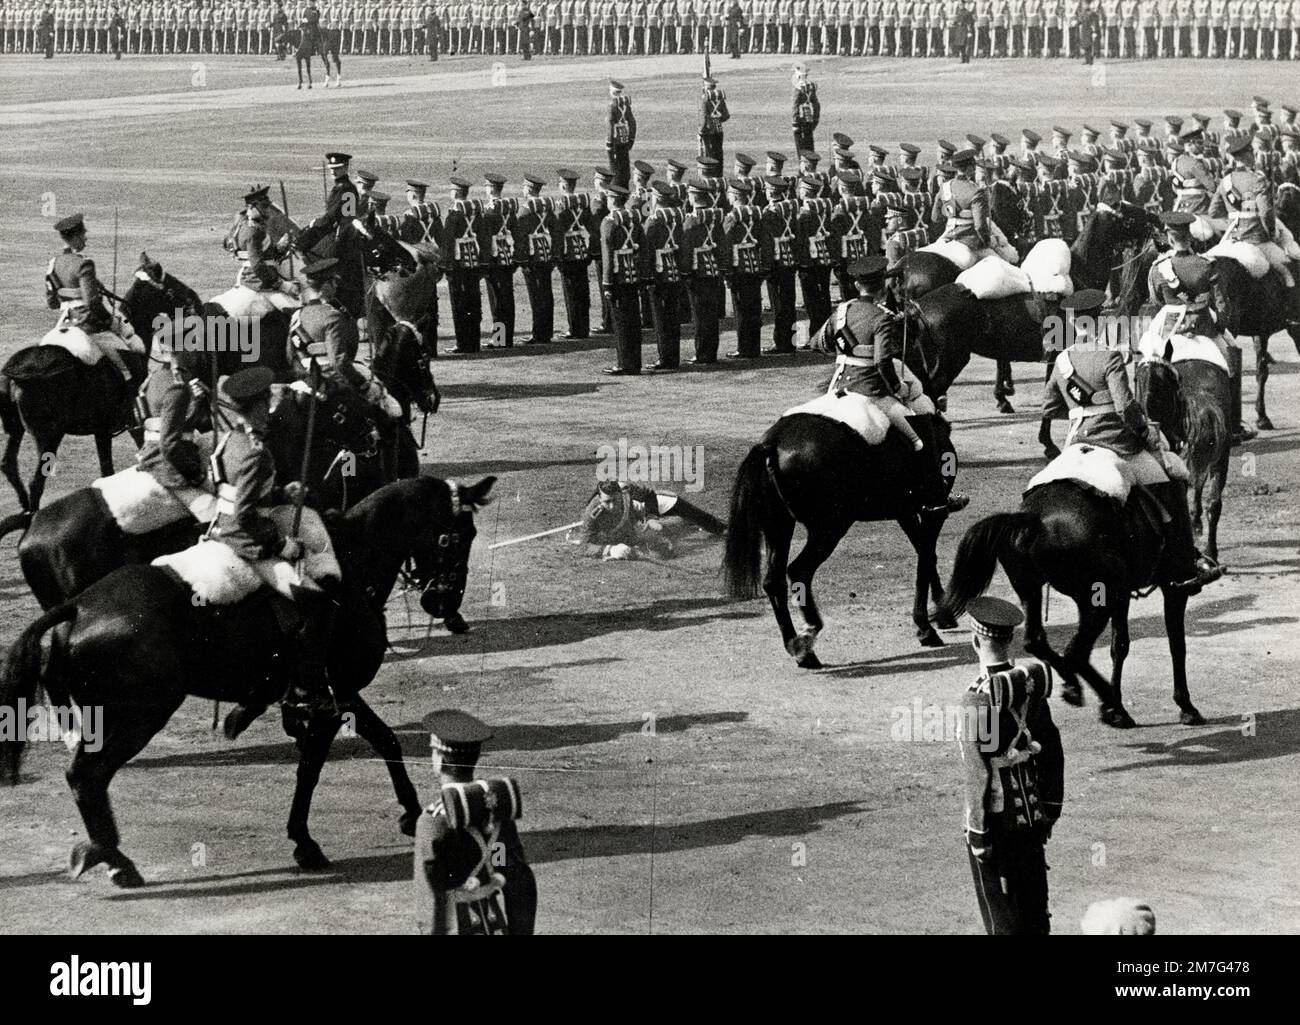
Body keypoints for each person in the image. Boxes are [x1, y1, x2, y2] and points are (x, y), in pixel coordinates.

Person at [1041, 288, 1222, 593]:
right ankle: (1185, 568)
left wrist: (1079, 411)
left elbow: (1049, 407)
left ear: (1072, 323)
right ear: (1098, 320)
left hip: (1076, 441)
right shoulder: (1109, 355)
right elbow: (1126, 407)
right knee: (1171, 479)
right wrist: (1145, 432)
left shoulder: (1061, 361)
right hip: (1115, 441)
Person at [209, 366, 334, 736]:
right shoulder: (255, 452)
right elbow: (246, 514)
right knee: (314, 604)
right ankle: (304, 692)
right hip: (245, 541)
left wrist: (283, 493)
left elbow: (235, 494)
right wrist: (282, 544)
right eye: (267, 402)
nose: (271, 407)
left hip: (218, 527)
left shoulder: (231, 439)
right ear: (259, 407)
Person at [810, 255, 969, 514]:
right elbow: (883, 362)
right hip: (871, 392)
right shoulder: (882, 318)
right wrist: (898, 389)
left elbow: (817, 343)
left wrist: (848, 347)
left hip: (838, 387)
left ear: (858, 285)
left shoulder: (842, 311)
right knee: (924, 440)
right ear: (882, 286)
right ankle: (938, 497)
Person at [958, 595, 1062, 936]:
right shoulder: (1030, 684)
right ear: (1009, 639)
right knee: (1035, 915)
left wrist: (978, 832)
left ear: (976, 641)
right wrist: (1048, 807)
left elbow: (979, 772)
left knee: (1001, 919)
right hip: (1031, 815)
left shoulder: (979, 697)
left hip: (999, 825)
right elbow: (1051, 752)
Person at [413, 709, 537, 935]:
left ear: (439, 760)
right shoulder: (497, 814)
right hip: (492, 927)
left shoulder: (433, 822)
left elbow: (430, 902)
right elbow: (518, 882)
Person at [44, 212, 139, 381]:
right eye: (83, 234)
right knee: (128, 368)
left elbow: (51, 302)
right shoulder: (84, 263)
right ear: (75, 236)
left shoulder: (53, 263)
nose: (85, 239)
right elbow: (92, 303)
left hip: (64, 322)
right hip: (87, 325)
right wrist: (111, 322)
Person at [1207, 133, 1293, 287]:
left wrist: (1234, 218)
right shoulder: (1257, 180)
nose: (1254, 156)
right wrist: (1272, 233)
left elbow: (1213, 212)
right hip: (1256, 238)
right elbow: (1266, 213)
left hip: (1231, 237)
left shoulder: (1225, 181)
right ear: (1246, 156)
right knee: (1287, 269)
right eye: (1251, 153)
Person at [294, 151, 369, 322]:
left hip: (343, 234)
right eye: (332, 168)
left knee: (305, 246)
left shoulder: (348, 190)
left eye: (337, 168)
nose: (333, 171)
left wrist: (316, 224)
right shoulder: (338, 187)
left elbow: (343, 216)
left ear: (345, 168)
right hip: (333, 227)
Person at [580, 479, 727, 558]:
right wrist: (610, 550)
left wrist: (651, 518)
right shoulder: (591, 514)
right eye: (607, 502)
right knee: (661, 543)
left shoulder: (626, 488)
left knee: (677, 504)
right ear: (599, 499)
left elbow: (650, 495)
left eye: (615, 500)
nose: (611, 506)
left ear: (621, 494)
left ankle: (721, 528)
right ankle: (684, 524)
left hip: (642, 508)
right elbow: (584, 545)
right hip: (630, 527)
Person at [600, 182, 645, 375]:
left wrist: (607, 282)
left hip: (618, 276)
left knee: (621, 322)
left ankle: (625, 363)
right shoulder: (634, 218)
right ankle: (634, 361)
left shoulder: (609, 222)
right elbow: (642, 246)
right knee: (633, 320)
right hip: (632, 272)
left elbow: (608, 256)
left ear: (612, 199)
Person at [724, 177, 768, 358]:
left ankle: (744, 348)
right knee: (754, 307)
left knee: (741, 309)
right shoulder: (756, 215)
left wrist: (726, 271)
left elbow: (726, 244)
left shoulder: (732, 218)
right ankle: (754, 347)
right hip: (754, 264)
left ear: (734, 196)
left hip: (739, 266)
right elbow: (765, 242)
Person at [606, 79, 636, 188]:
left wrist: (609, 144)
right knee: (625, 164)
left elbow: (610, 125)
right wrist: (631, 138)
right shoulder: (625, 104)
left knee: (614, 167)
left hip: (615, 138)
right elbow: (632, 122)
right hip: (625, 137)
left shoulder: (612, 106)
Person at [697, 75, 730, 165]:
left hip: (708, 131)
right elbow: (726, 116)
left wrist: (701, 131)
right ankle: (719, 174)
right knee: (719, 153)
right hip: (719, 130)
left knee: (709, 154)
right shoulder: (720, 99)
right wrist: (717, 120)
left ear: (706, 87)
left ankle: (711, 174)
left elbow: (703, 118)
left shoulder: (704, 100)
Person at [791, 63, 819, 156]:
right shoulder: (811, 86)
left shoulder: (797, 88)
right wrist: (815, 118)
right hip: (809, 117)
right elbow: (816, 105)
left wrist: (795, 122)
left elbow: (795, 105)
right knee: (809, 144)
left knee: (800, 147)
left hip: (800, 119)